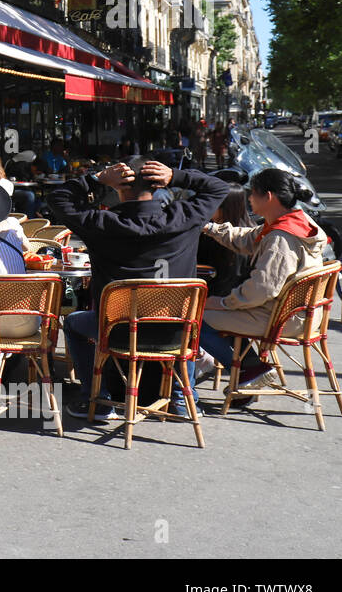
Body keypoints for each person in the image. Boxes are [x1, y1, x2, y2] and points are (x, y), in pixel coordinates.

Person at [48, 156, 228, 419]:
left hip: (117, 333)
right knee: (187, 319)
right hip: (176, 332)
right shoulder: (185, 217)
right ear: (159, 185)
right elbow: (219, 187)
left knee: (74, 323)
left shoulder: (102, 223)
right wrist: (177, 176)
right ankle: (181, 400)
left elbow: (57, 199)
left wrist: (96, 178)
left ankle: (98, 399)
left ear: (119, 187)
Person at [195, 169, 328, 390]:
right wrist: (209, 228)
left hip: (284, 317)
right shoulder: (292, 222)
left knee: (195, 320)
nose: (249, 198)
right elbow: (246, 238)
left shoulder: (281, 238)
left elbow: (261, 290)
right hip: (298, 313)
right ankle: (249, 368)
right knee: (215, 310)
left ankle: (248, 371)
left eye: (253, 193)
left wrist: (225, 303)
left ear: (269, 196)